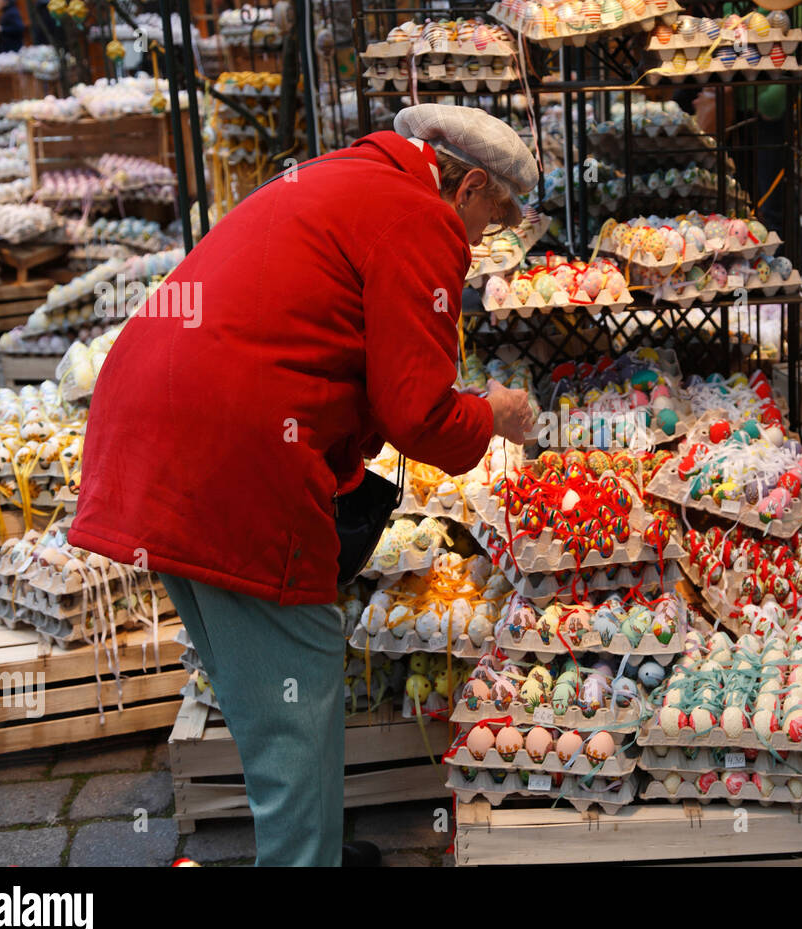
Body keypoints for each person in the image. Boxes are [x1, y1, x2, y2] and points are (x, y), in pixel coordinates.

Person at [68, 105, 538, 866]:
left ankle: (304, 844)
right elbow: (417, 414)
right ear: (470, 184)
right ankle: (300, 856)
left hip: (156, 436)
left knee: (263, 692)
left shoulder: (347, 173)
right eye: (496, 216)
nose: (486, 238)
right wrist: (492, 415)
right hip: (229, 454)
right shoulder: (421, 216)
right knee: (297, 675)